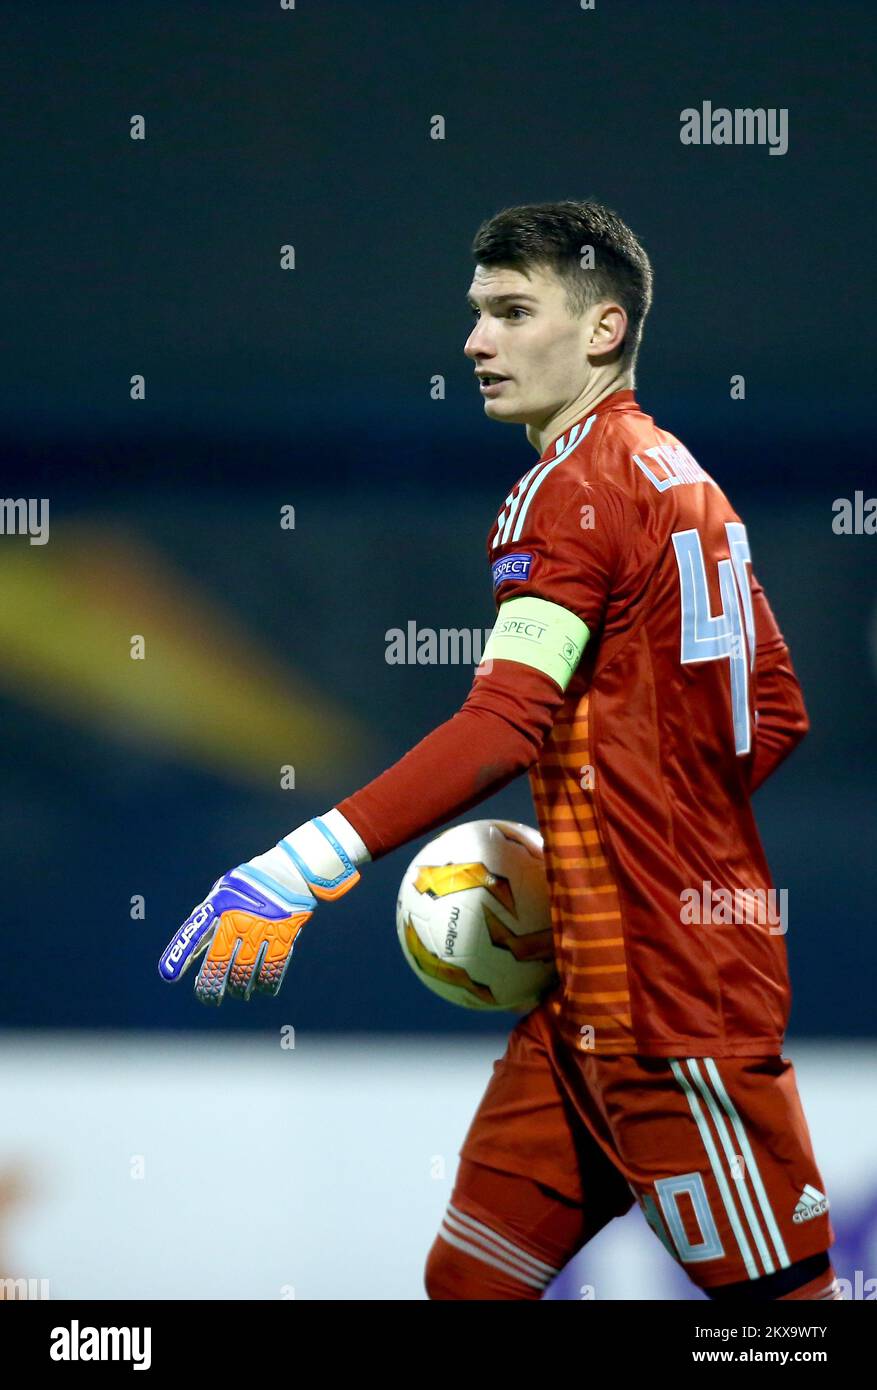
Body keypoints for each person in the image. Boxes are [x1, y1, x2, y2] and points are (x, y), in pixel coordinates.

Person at [159, 200, 839, 1301]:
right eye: (477, 312)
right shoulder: (679, 476)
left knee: (784, 1318)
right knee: (469, 1283)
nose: (475, 341)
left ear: (604, 329)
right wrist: (624, 823)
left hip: (664, 1002)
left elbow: (502, 720)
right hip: (586, 988)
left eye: (512, 311)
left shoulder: (565, 491)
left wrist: (300, 867)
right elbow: (777, 708)